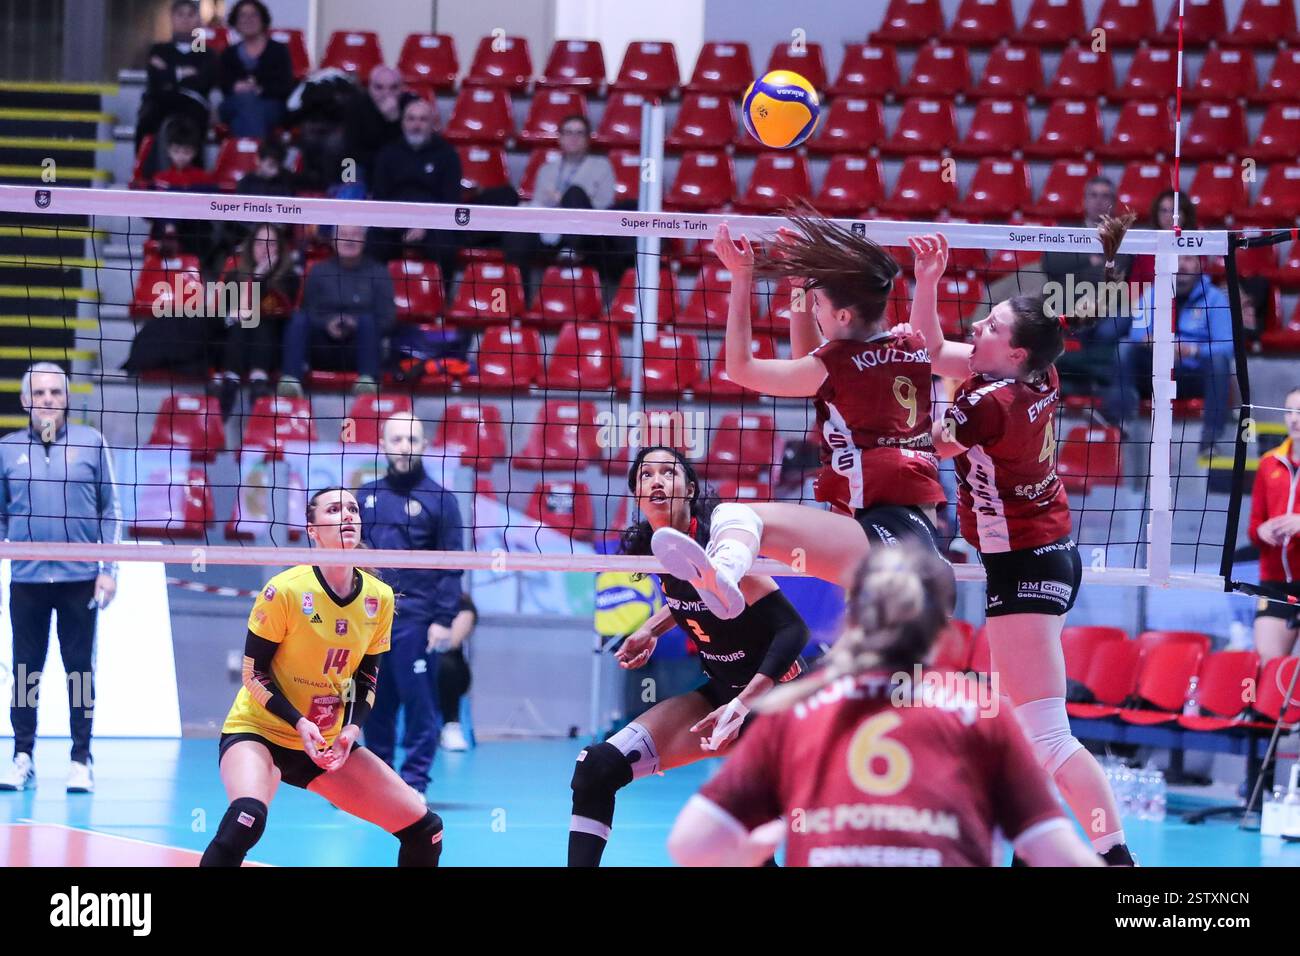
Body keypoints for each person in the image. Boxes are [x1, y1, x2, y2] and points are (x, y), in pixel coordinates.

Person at [908, 227, 1136, 866]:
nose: (979, 325)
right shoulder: (1040, 370)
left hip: (1027, 563)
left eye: (991, 326)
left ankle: (1115, 860)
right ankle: (1046, 853)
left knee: (1046, 735)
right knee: (1024, 729)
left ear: (1013, 355)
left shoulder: (987, 403)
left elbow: (934, 437)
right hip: (1043, 554)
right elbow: (934, 350)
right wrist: (928, 281)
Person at [667, 546, 1101, 867]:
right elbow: (1056, 855)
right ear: (942, 633)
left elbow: (690, 845)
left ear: (852, 621)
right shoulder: (981, 712)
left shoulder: (792, 710)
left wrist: (760, 847)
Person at [649, 211, 949, 619]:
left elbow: (740, 369)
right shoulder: (910, 344)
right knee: (881, 670)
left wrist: (742, 279)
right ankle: (721, 575)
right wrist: (798, 290)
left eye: (819, 304)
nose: (814, 311)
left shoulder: (838, 362)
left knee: (737, 515)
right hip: (906, 532)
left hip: (887, 532)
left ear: (843, 316)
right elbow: (812, 358)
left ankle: (722, 574)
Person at [568, 446, 810, 867]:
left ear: (690, 489)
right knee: (596, 768)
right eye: (646, 475)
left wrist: (743, 703)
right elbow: (692, 598)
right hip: (718, 698)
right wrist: (650, 628)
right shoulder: (656, 548)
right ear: (638, 496)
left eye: (669, 472)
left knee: (741, 833)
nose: (657, 480)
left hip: (776, 707)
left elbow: (793, 629)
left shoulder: (719, 546)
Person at [201, 486, 442, 866]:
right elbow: (253, 674)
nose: (347, 515)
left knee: (426, 831)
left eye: (352, 508)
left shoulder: (379, 597)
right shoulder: (285, 590)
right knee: (246, 819)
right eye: (334, 509)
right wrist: (298, 723)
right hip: (259, 731)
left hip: (325, 743)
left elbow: (367, 680)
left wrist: (351, 729)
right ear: (313, 530)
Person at [0, 363, 121, 794]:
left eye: (55, 392)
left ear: (66, 398)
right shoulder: (7, 448)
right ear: (24, 401)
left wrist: (108, 571)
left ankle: (80, 759)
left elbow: (111, 511)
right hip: (27, 581)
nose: (48, 399)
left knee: (79, 673)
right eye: (40, 393)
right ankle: (22, 756)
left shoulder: (92, 443)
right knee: (25, 673)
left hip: (80, 581)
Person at [358, 413, 464, 796]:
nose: (405, 446)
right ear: (385, 443)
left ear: (424, 445)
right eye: (398, 438)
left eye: (413, 439)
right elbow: (352, 555)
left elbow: (454, 565)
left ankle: (414, 783)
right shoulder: (364, 497)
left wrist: (443, 618)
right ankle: (379, 781)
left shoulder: (441, 500)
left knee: (420, 705)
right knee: (373, 702)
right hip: (369, 620)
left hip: (417, 618)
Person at [1109, 253, 1235, 455]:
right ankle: (1120, 425)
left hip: (1193, 375)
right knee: (1125, 347)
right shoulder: (1153, 293)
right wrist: (1158, 344)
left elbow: (1227, 345)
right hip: (1156, 372)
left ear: (1199, 264)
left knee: (1219, 362)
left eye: (1188, 259)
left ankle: (1210, 440)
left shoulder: (1214, 297)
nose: (1182, 265)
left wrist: (1192, 350)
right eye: (1178, 259)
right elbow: (1136, 333)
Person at [503, 114, 627, 291]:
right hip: (551, 230)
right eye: (568, 132)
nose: (574, 137)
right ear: (560, 138)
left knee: (574, 193)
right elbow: (539, 205)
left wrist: (563, 199)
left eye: (579, 133)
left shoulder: (601, 166)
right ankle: (518, 296)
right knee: (517, 236)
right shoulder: (547, 169)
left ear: (587, 139)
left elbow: (604, 206)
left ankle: (572, 248)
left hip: (586, 233)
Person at [1041, 176, 1135, 410]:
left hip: (1109, 312)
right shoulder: (1065, 231)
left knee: (1111, 329)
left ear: (1113, 202)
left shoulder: (1121, 234)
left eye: (1105, 196)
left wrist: (1078, 263)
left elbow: (1121, 265)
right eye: (1093, 195)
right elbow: (1051, 263)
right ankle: (1087, 379)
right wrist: (1092, 260)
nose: (1098, 201)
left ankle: (1086, 381)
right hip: (1069, 308)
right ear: (1084, 200)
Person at [279, 222, 395, 397]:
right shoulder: (318, 271)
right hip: (323, 347)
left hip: (361, 348)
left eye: (355, 235)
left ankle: (368, 382)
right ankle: (291, 381)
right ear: (333, 240)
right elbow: (309, 312)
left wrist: (354, 324)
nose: (348, 240)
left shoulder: (379, 273)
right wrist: (328, 324)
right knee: (298, 319)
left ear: (364, 240)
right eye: (343, 234)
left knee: (368, 321)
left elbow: (387, 319)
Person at [213, 223, 300, 419]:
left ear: (280, 248)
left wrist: (259, 278)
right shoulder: (234, 277)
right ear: (251, 247)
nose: (265, 249)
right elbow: (227, 313)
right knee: (244, 320)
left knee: (260, 319)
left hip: (274, 346)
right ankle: (235, 381)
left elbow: (284, 313)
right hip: (237, 342)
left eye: (271, 244)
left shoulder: (289, 278)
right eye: (260, 243)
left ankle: (251, 380)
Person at [369, 95, 462, 271]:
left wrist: (425, 225)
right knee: (373, 242)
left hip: (433, 223)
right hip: (394, 221)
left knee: (446, 247)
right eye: (411, 119)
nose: (416, 125)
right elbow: (380, 197)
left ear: (432, 124)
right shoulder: (388, 154)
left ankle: (440, 296)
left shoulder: (448, 155)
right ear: (403, 123)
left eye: (422, 119)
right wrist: (399, 222)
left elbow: (450, 201)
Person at [1249, 388, 1300, 663]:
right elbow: (1254, 525)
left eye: (1299, 412)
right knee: (1269, 667)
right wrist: (1261, 531)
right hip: (1275, 582)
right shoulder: (1269, 463)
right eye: (1288, 412)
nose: (1293, 419)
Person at [135, 0, 217, 155]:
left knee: (194, 120)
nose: (185, 19)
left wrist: (168, 72)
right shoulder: (158, 49)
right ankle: (142, 171)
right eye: (180, 14)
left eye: (190, 15)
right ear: (172, 18)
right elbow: (155, 80)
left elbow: (203, 84)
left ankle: (193, 172)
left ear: (198, 20)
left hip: (193, 104)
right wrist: (182, 73)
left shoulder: (208, 54)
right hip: (161, 100)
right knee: (147, 117)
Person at [217, 0, 294, 140]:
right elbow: (224, 85)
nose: (248, 20)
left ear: (263, 20)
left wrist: (259, 89)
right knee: (246, 103)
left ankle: (244, 158)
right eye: (243, 16)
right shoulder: (228, 53)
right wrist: (235, 87)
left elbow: (285, 86)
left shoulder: (278, 50)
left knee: (245, 114)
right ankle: (259, 156)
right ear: (236, 22)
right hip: (235, 103)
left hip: (270, 105)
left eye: (253, 15)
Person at [344, 64, 405, 189]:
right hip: (361, 164)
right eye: (379, 87)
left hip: (397, 166)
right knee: (349, 177)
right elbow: (350, 151)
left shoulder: (410, 107)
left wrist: (393, 120)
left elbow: (408, 151)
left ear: (401, 89)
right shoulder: (356, 106)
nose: (386, 93)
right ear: (370, 88)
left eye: (393, 88)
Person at [429, 594, 476, 751]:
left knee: (445, 664)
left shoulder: (461, 603)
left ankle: (451, 725)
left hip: (448, 667)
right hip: (410, 660)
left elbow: (451, 642)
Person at [1127, 189, 1197, 289]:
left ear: (1185, 214)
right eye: (1163, 211)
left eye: (1174, 211)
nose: (1168, 216)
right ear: (1157, 214)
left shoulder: (1196, 246)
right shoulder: (1145, 251)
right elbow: (1134, 288)